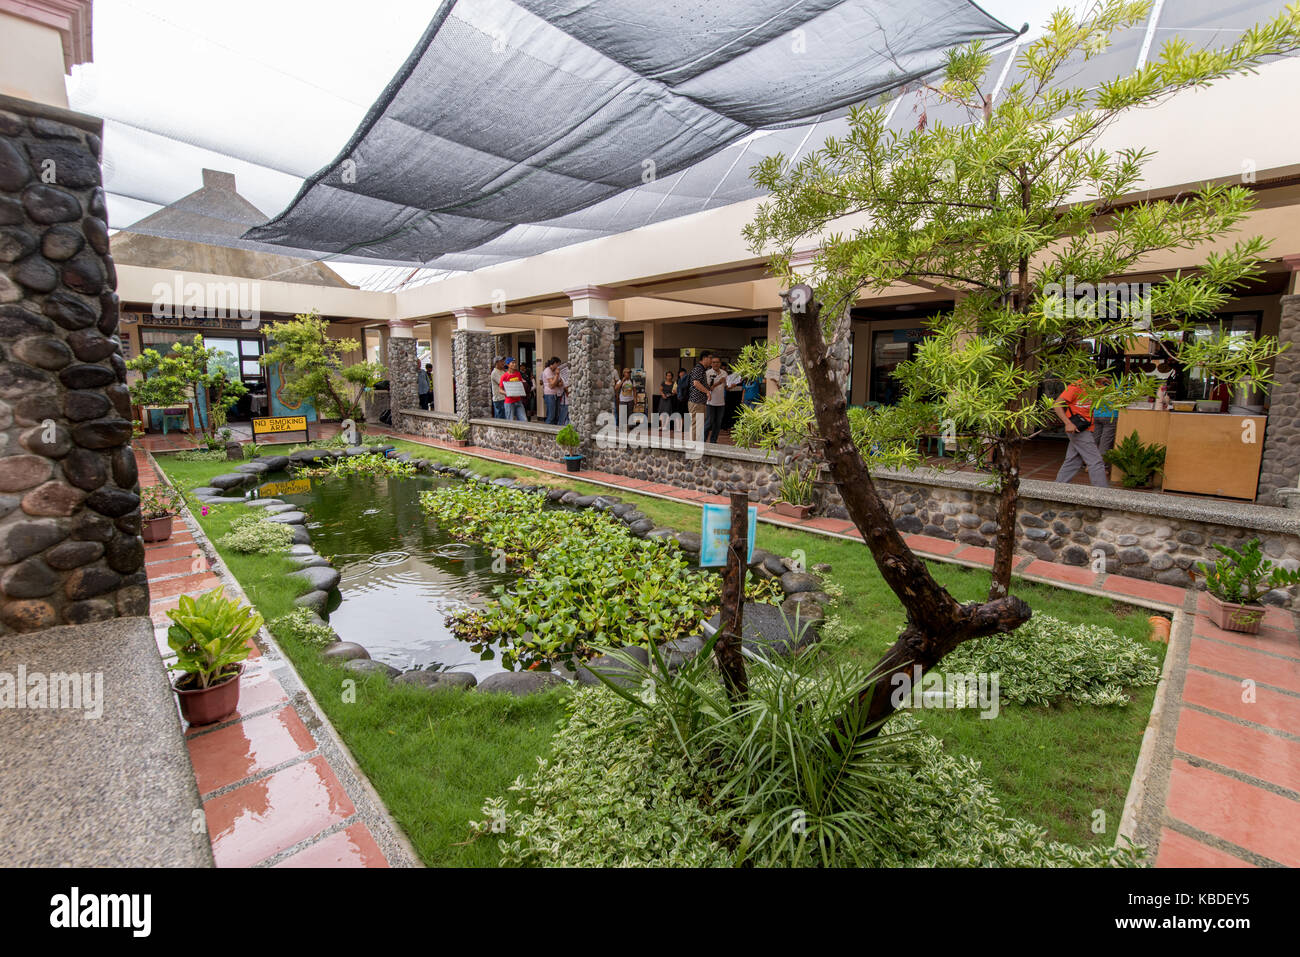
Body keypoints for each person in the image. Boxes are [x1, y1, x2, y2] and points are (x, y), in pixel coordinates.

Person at [1053, 376, 1110, 487]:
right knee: (1096, 461)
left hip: (1087, 427)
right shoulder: (1076, 386)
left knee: (1073, 460)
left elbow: (1115, 398)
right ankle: (1103, 494)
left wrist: (1108, 384)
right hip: (1077, 428)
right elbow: (1057, 404)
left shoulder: (1098, 386)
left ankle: (1057, 488)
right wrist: (1068, 423)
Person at [704, 355, 728, 444]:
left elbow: (726, 387)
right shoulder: (707, 373)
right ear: (711, 363)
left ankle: (713, 441)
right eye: (713, 362)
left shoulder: (724, 373)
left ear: (720, 363)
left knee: (718, 424)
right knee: (709, 422)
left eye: (717, 362)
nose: (715, 364)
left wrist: (733, 385)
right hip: (710, 402)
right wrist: (718, 383)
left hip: (721, 402)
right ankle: (702, 440)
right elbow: (708, 388)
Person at [687, 351, 712, 426]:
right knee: (696, 425)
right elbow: (696, 383)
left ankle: (697, 438)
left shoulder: (702, 369)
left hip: (699, 402)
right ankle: (694, 438)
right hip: (696, 402)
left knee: (699, 426)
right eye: (710, 358)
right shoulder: (698, 368)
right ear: (704, 358)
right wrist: (707, 392)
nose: (711, 360)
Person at [541, 356, 564, 424]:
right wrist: (557, 375)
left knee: (556, 415)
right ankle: (547, 431)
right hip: (550, 395)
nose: (558, 367)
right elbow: (551, 385)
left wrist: (556, 382)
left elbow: (560, 383)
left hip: (556, 394)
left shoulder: (554, 371)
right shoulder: (547, 370)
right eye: (558, 364)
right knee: (551, 415)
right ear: (554, 363)